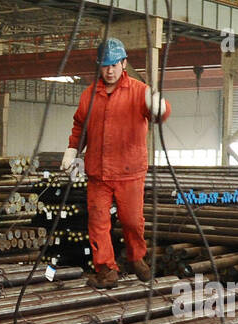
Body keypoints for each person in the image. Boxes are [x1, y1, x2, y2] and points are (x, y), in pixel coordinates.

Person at [62, 38, 171, 289]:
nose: (109, 70)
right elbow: (80, 126)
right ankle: (106, 269)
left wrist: (159, 105)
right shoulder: (89, 95)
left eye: (114, 65)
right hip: (98, 173)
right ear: (99, 67)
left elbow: (161, 114)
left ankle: (136, 257)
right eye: (105, 65)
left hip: (129, 171)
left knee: (132, 221)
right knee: (98, 222)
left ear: (124, 63)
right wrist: (72, 151)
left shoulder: (138, 91)